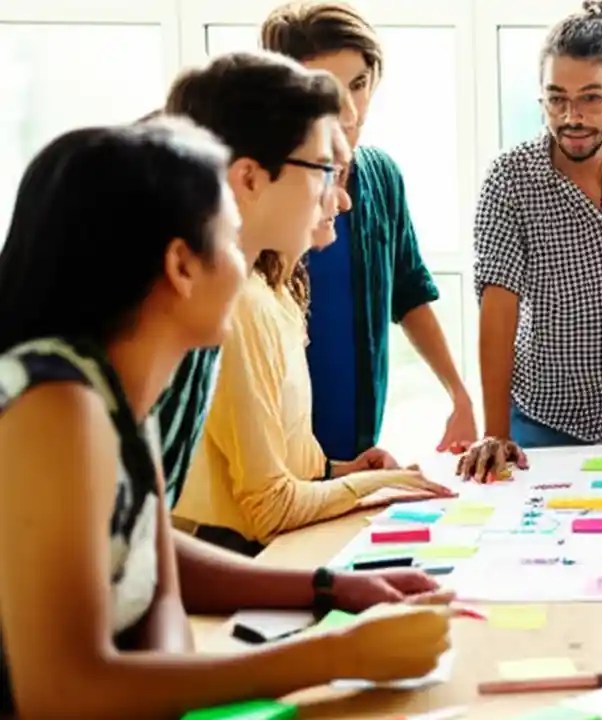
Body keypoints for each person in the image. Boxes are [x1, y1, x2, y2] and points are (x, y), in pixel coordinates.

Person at [0, 119, 450, 718]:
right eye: (231, 238)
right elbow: (61, 693)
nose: (247, 265)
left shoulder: (118, 392)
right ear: (181, 266)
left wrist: (332, 587)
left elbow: (156, 567)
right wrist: (338, 655)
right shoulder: (55, 404)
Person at [164, 52, 454, 556]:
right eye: (324, 170)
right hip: (230, 559)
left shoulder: (273, 290)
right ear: (249, 180)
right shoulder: (239, 305)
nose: (341, 199)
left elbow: (275, 468)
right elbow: (266, 509)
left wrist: (342, 473)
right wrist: (378, 486)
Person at [460, 0, 602, 480]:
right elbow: (498, 307)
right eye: (556, 99)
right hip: (544, 418)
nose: (572, 117)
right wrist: (495, 433)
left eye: (591, 98)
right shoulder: (510, 178)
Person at [260, 0, 477, 463]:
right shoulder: (262, 190)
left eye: (359, 85)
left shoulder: (381, 176)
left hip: (357, 450)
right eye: (326, 90)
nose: (350, 112)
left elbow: (409, 292)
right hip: (274, 458)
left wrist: (459, 395)